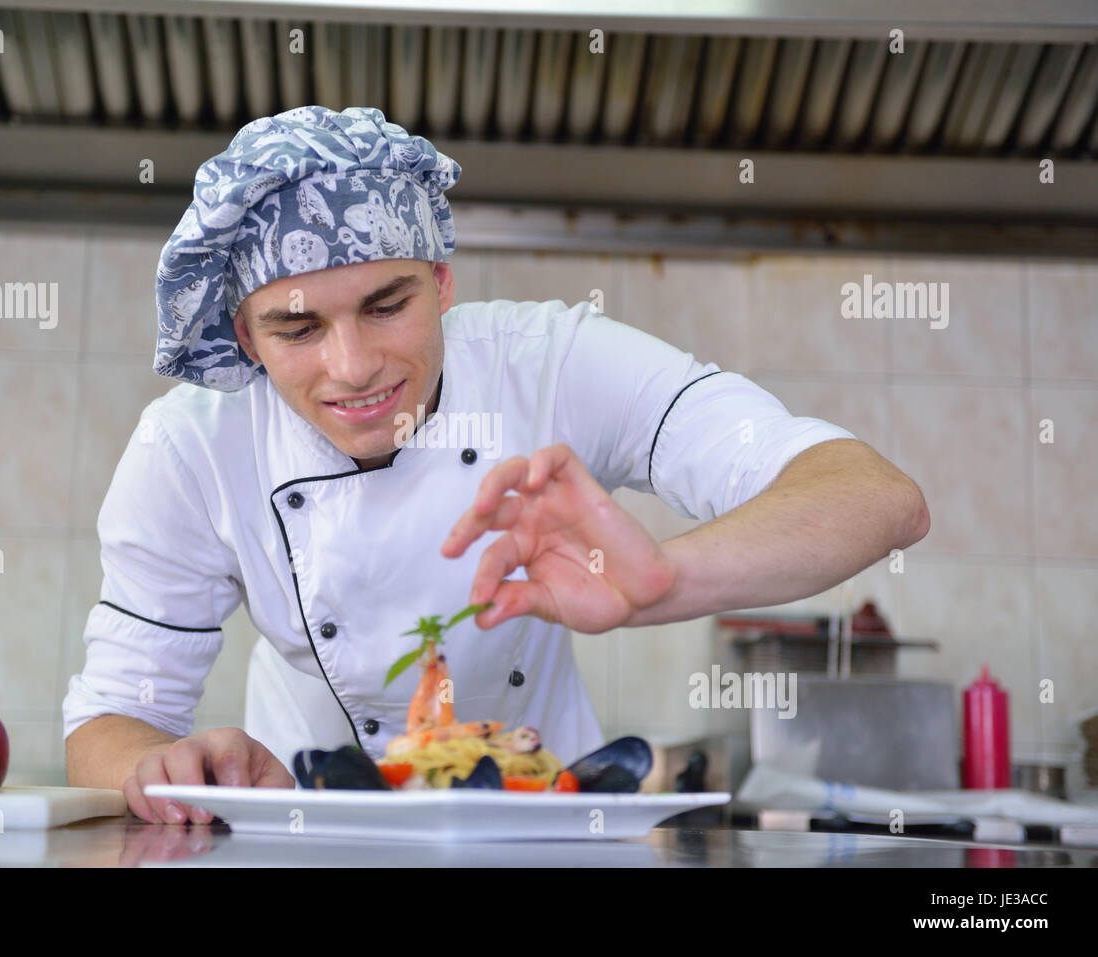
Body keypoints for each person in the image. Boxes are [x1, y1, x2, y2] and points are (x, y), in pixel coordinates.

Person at [63, 105, 929, 824]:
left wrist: (661, 577)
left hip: (551, 838)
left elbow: (876, 497)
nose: (354, 365)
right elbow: (106, 725)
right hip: (310, 844)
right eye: (298, 329)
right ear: (247, 335)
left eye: (387, 304)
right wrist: (161, 761)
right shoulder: (193, 447)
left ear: (442, 281)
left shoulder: (548, 363)